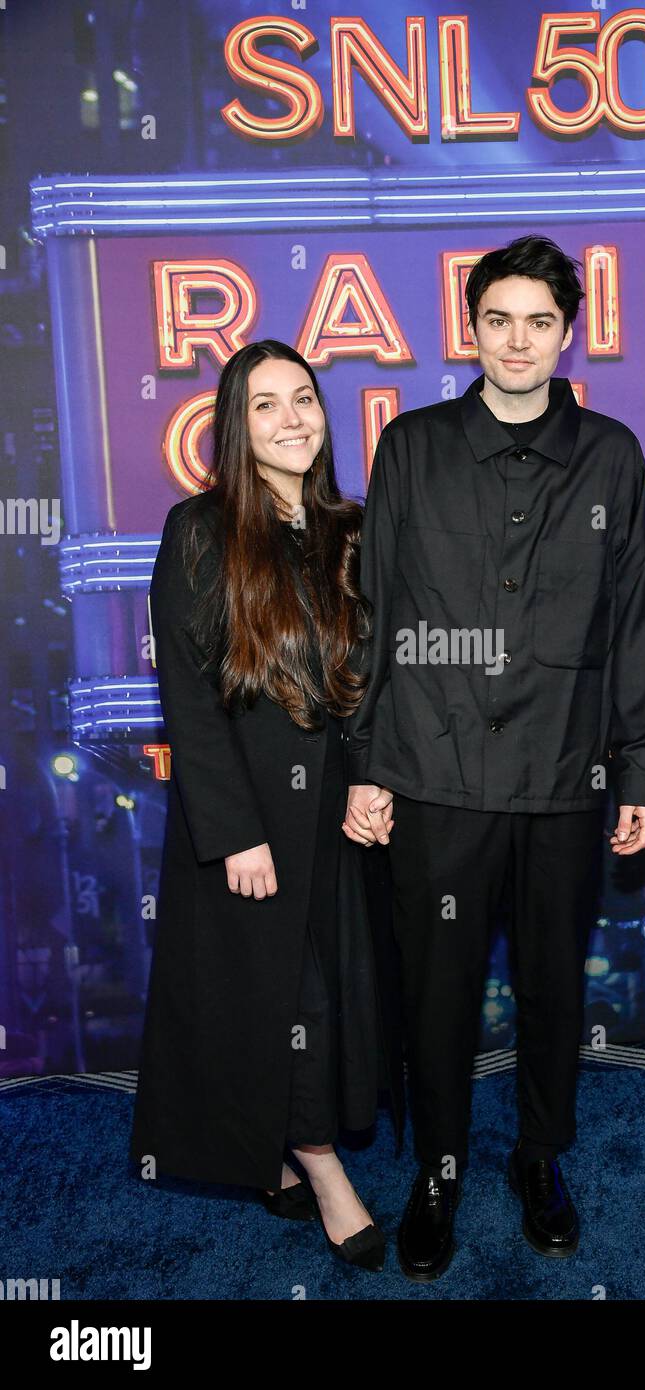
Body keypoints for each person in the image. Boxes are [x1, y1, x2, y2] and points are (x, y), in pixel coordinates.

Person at [341, 235, 645, 1281]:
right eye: (499, 319)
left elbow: (636, 626)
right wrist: (367, 761)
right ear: (470, 328)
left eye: (540, 321)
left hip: (567, 780)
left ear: (567, 332)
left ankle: (540, 1158)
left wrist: (641, 770)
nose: (519, 339)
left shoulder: (613, 454)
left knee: (551, 990)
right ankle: (435, 1173)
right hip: (435, 778)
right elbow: (376, 618)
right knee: (435, 996)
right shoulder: (413, 448)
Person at [129, 340, 402, 1273]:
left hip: (335, 816)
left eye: (305, 399)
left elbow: (373, 679)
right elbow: (191, 703)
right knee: (282, 1000)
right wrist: (235, 833)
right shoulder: (199, 530)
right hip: (245, 817)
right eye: (265, 406)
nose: (292, 419)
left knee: (326, 996)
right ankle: (325, 1173)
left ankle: (288, 1149)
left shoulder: (352, 529)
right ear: (235, 428)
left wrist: (371, 778)